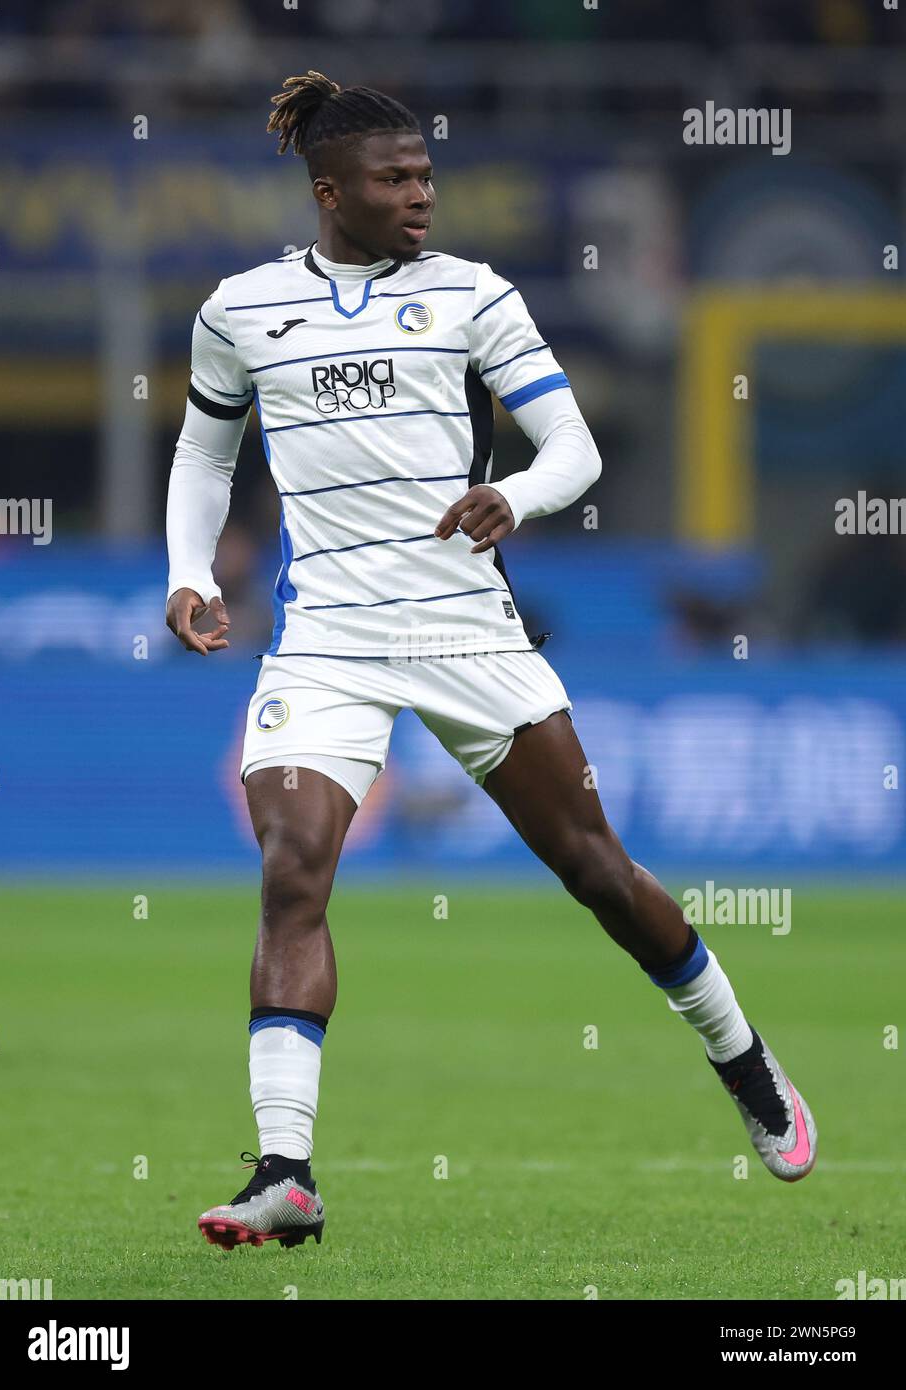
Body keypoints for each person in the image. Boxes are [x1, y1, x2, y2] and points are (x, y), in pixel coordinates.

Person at [165, 70, 817, 1252]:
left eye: (426, 175)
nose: (421, 195)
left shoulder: (473, 296)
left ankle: (741, 1054)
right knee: (292, 868)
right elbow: (204, 457)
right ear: (329, 191)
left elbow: (571, 448)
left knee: (598, 874)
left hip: (469, 629)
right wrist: (193, 572)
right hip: (328, 636)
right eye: (395, 178)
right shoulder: (241, 310)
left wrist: (512, 495)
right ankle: (284, 1170)